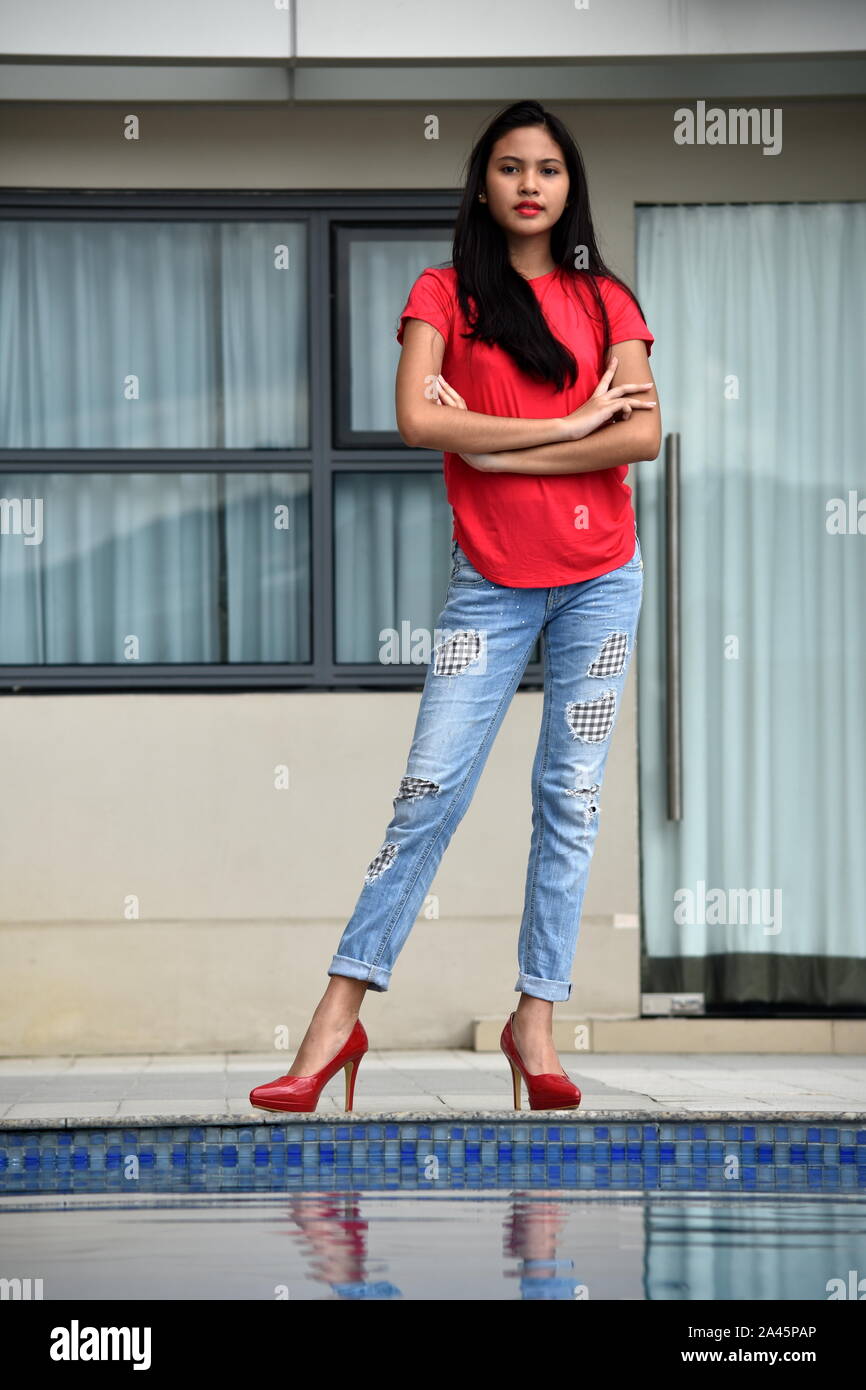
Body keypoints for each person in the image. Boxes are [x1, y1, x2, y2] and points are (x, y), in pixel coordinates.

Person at [250, 98, 660, 1115]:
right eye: (511, 167)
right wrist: (567, 421)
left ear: (569, 188)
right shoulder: (442, 293)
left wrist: (492, 439)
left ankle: (534, 1021)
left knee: (568, 798)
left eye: (549, 169)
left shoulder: (607, 299)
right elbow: (410, 414)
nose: (531, 184)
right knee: (427, 794)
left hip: (602, 575)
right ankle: (338, 1017)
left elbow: (640, 436)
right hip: (491, 582)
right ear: (482, 183)